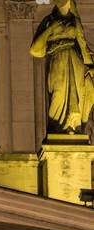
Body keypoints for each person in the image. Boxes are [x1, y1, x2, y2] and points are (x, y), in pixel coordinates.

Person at [30, 0, 94, 137]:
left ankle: (72, 126)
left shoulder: (74, 21)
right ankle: (56, 127)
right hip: (57, 59)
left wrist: (89, 66)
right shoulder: (49, 21)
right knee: (58, 93)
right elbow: (35, 50)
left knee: (76, 95)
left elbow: (82, 43)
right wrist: (50, 29)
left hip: (74, 60)